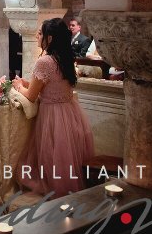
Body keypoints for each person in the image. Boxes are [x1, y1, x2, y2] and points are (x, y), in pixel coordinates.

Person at [12, 18, 95, 197]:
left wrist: (18, 85)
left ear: (49, 39)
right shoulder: (64, 58)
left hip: (52, 115)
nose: (36, 36)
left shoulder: (45, 61)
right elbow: (50, 84)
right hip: (70, 112)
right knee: (65, 158)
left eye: (40, 33)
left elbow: (31, 96)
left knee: (53, 156)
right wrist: (27, 83)